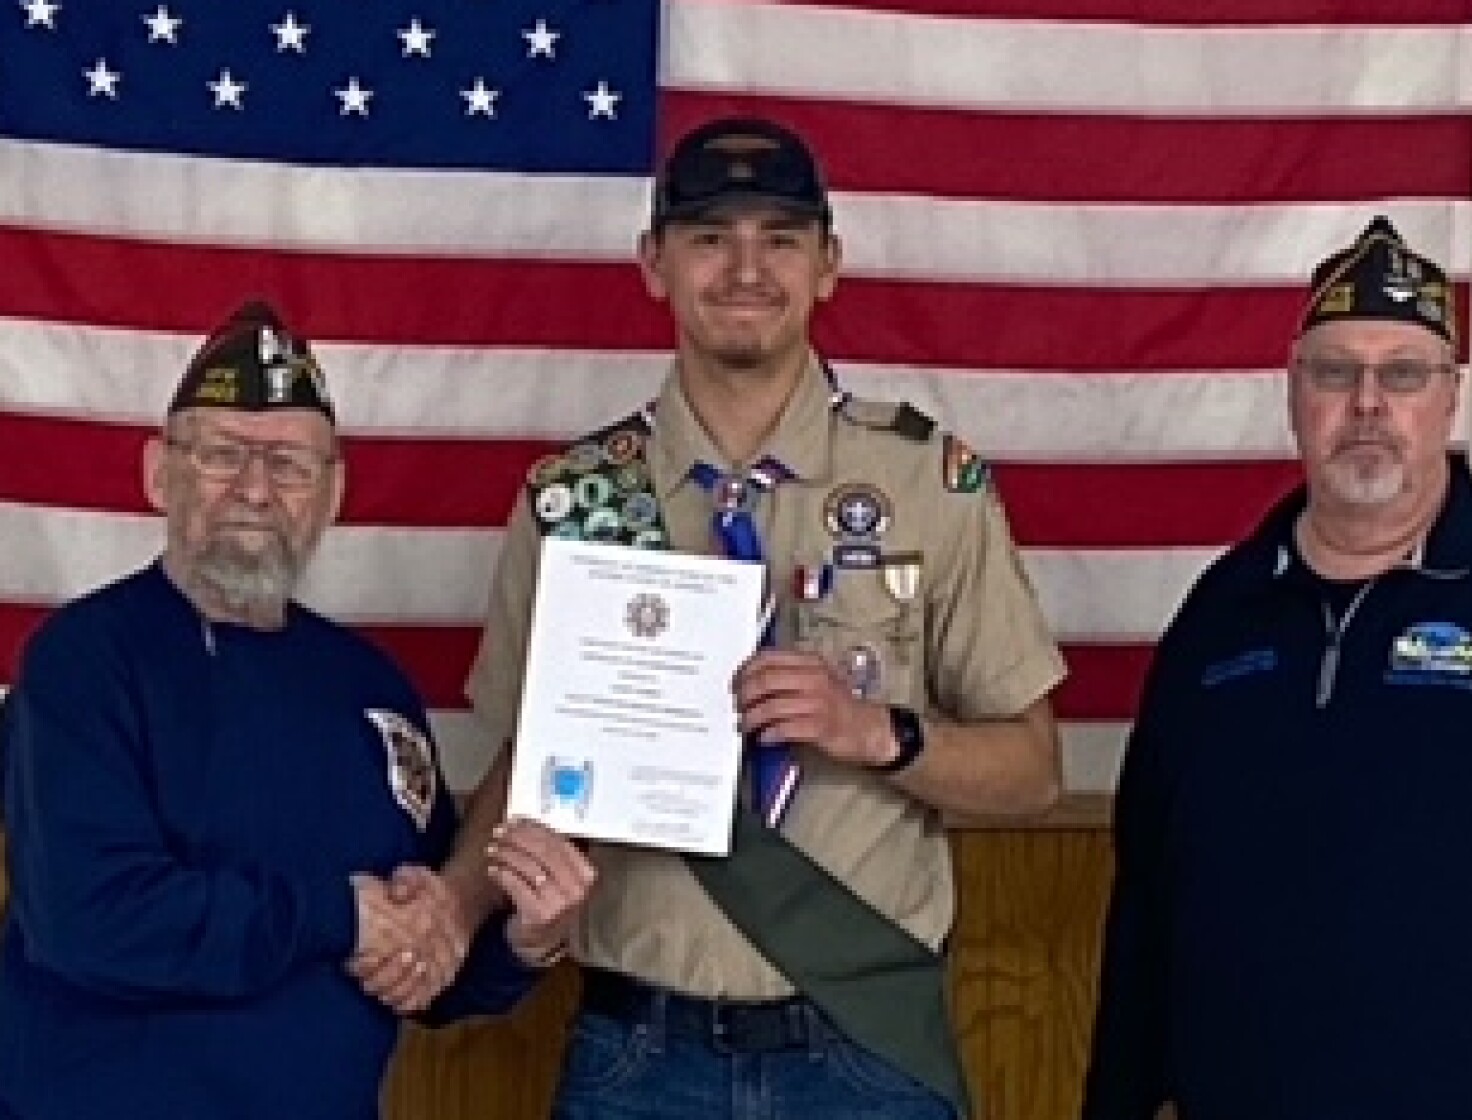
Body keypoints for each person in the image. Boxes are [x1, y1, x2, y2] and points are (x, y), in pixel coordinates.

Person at [453, 116, 1068, 1119]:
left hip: (863, 1039)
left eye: (780, 237)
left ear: (829, 263)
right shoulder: (576, 497)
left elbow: (1035, 771)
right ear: (654, 263)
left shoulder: (929, 483)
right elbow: (527, 757)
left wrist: (875, 732)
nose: (746, 268)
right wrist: (450, 902)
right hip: (639, 1051)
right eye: (709, 237)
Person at [1082, 216, 1472, 1119]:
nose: (1368, 402)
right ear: (1295, 395)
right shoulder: (1217, 623)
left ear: (1448, 397)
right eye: (1335, 372)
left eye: (1403, 373)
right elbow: (1146, 928)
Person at [0, 301, 591, 1120]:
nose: (253, 489)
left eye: (288, 464)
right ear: (156, 473)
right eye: (221, 455)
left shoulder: (370, 691)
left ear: (332, 492)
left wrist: (521, 943)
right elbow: (89, 920)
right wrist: (338, 915)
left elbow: (419, 964)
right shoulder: (85, 662)